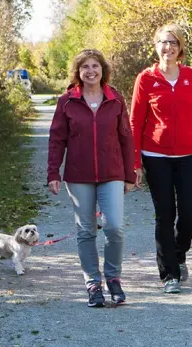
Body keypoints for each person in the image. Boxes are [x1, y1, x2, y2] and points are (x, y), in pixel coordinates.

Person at [47, 49, 137, 307]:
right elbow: (56, 139)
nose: (90, 71)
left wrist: (130, 174)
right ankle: (93, 283)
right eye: (84, 66)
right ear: (78, 72)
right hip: (78, 176)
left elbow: (126, 138)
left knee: (115, 227)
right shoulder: (67, 101)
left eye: (95, 66)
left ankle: (113, 278)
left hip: (112, 174)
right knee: (86, 230)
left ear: (102, 70)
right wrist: (53, 171)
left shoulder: (116, 99)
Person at [130, 24, 192, 294]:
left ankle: (178, 252)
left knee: (190, 213)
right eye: (164, 42)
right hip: (156, 155)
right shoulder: (146, 79)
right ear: (156, 46)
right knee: (165, 215)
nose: (168, 47)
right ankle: (169, 274)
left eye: (173, 42)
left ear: (181, 48)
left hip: (190, 155)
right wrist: (135, 163)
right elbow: (135, 122)